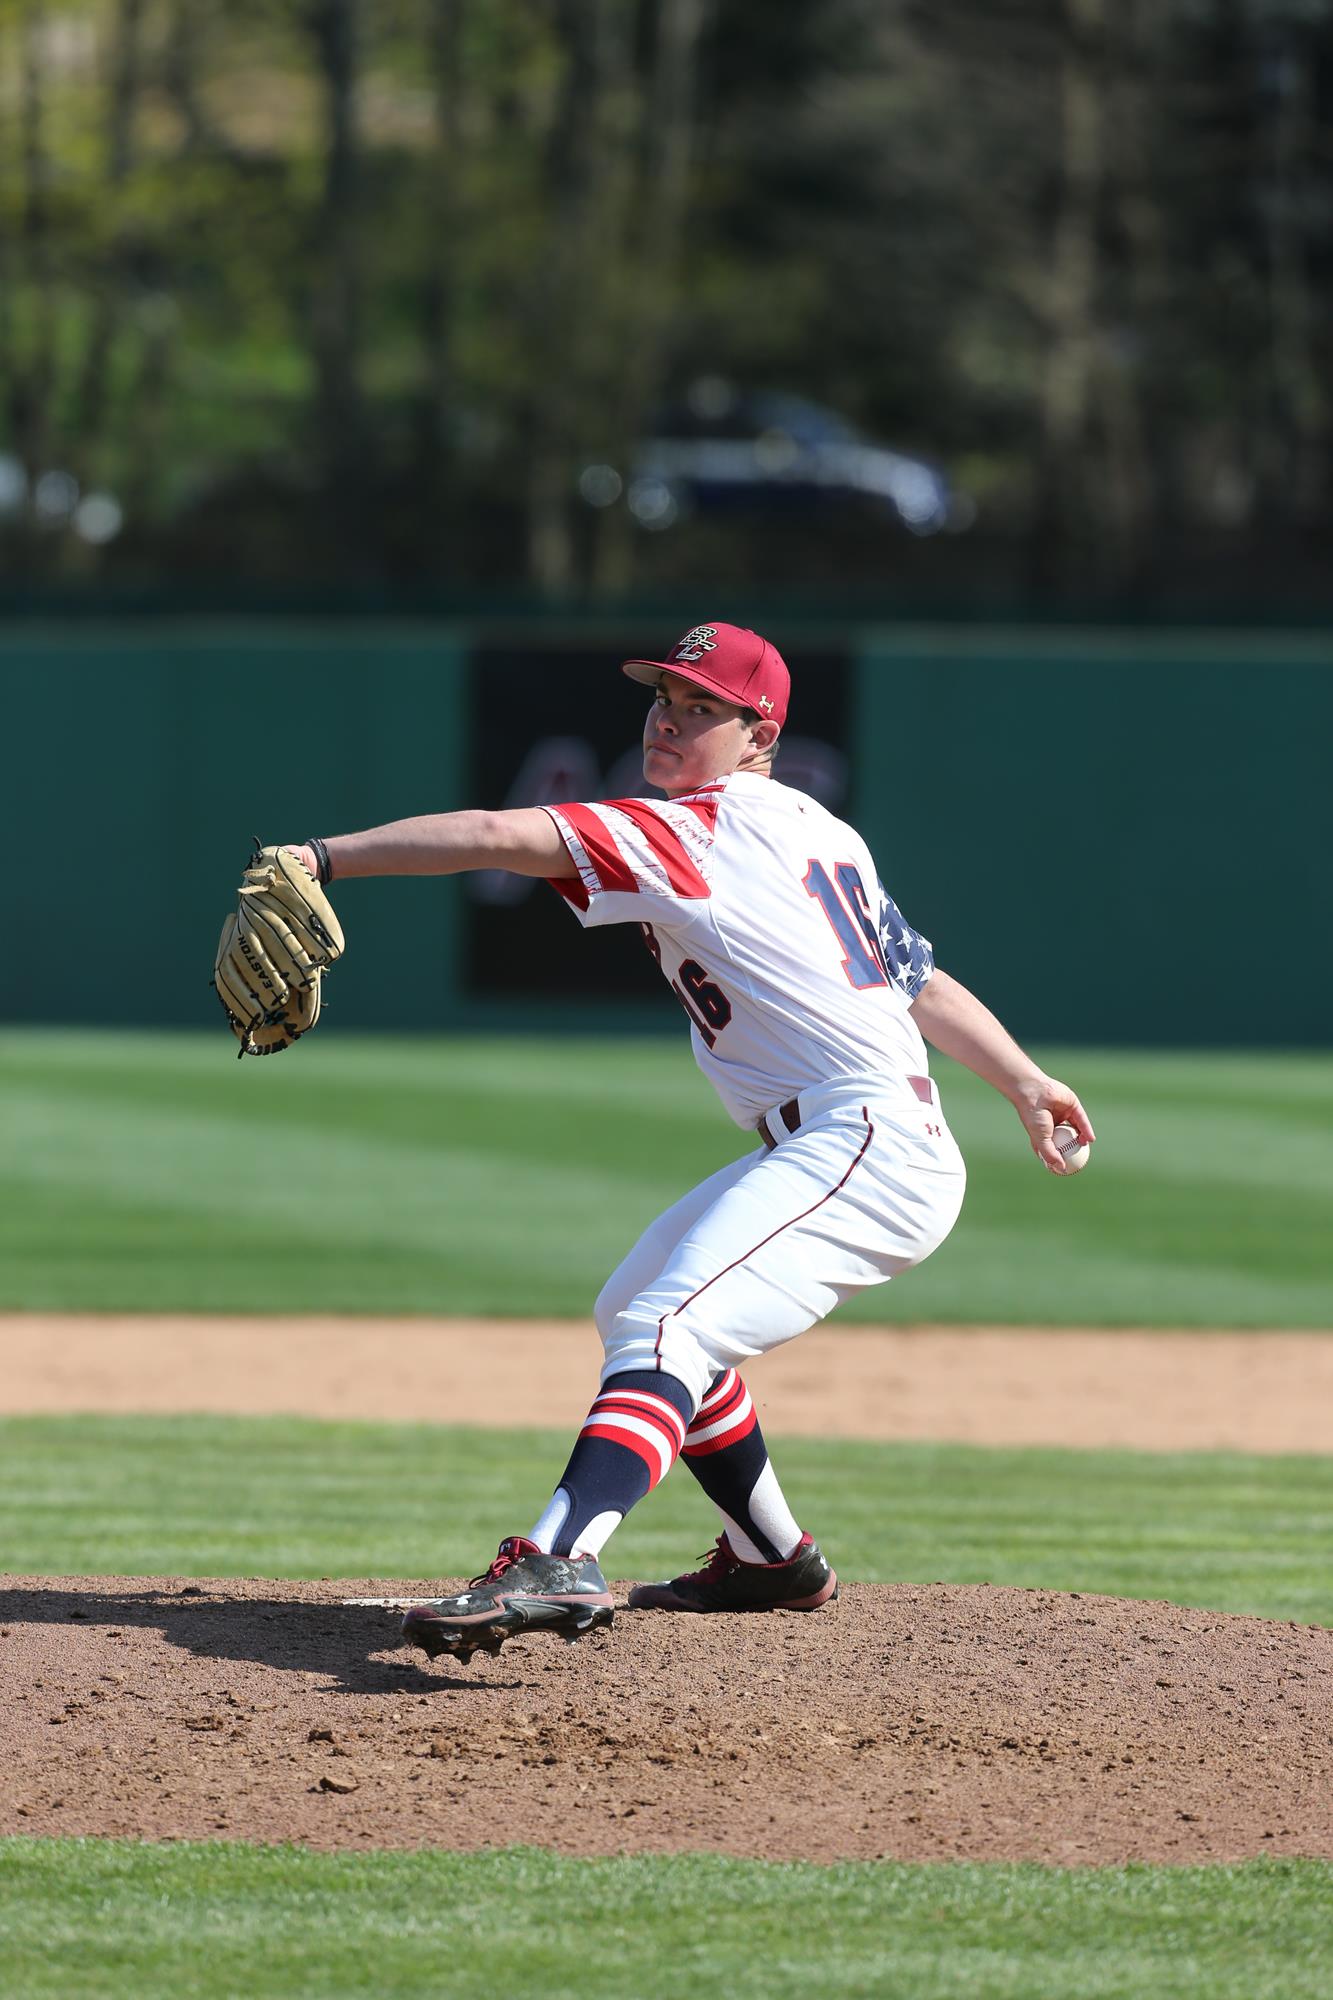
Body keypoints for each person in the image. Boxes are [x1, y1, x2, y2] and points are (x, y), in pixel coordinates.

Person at [287, 621, 1094, 1663]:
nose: (668, 719)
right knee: (635, 1306)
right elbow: (915, 978)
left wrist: (321, 859)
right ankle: (772, 1557)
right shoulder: (823, 833)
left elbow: (495, 831)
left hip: (864, 1141)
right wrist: (1023, 1080)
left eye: (701, 706)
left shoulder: (697, 831)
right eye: (663, 698)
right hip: (850, 1135)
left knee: (666, 1323)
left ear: (761, 734)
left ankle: (559, 1554)